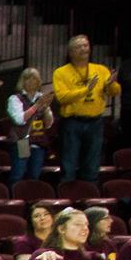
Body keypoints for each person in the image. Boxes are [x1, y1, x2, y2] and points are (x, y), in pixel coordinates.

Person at [51, 34, 117, 184]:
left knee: (92, 164)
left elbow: (115, 92)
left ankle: (89, 195)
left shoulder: (100, 69)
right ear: (70, 52)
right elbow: (62, 98)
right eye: (79, 46)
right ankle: (67, 196)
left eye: (86, 45)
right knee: (69, 163)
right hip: (72, 122)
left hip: (95, 122)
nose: (84, 49)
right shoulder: (61, 72)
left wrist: (110, 85)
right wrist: (85, 90)